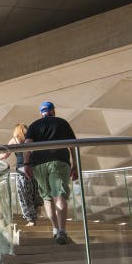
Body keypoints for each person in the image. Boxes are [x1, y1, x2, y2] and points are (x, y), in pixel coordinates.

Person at [22, 102, 78, 245]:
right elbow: (73, 145)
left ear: (41, 113)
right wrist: (75, 165)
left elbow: (27, 146)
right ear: (53, 111)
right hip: (59, 161)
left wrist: (26, 164)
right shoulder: (62, 123)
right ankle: (62, 231)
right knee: (59, 195)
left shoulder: (34, 125)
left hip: (39, 164)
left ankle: (55, 229)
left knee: (47, 198)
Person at [0, 124, 42, 226]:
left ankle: (31, 219)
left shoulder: (15, 140)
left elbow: (5, 154)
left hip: (22, 170)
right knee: (34, 193)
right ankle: (36, 214)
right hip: (35, 170)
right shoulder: (31, 139)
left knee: (24, 195)